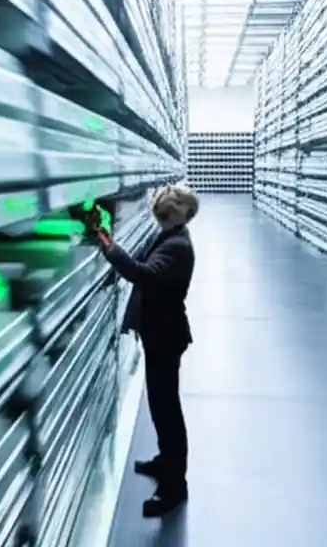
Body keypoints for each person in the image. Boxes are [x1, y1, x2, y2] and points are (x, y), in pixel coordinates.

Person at [95, 183, 198, 518]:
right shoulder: (171, 235)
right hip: (161, 333)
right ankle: (165, 461)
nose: (160, 215)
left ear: (178, 214)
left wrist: (109, 247)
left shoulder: (178, 246)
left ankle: (174, 487)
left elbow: (143, 273)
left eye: (165, 211)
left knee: (167, 411)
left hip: (165, 336)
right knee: (160, 406)